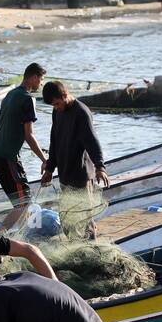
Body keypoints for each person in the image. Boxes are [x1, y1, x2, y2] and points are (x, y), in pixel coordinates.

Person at [40, 80, 107, 240]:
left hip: (81, 175)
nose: (56, 107)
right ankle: (74, 245)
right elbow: (54, 141)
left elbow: (92, 141)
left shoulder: (81, 112)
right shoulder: (57, 112)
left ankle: (91, 247)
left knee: (84, 218)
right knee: (68, 218)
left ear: (65, 95)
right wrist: (49, 168)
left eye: (57, 103)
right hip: (65, 174)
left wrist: (100, 167)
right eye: (53, 105)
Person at [0, 62, 47, 232]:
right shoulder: (28, 99)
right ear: (34, 77)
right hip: (9, 157)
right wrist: (44, 159)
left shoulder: (10, 94)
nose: (41, 84)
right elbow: (29, 135)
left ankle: (21, 234)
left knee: (20, 202)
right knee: (24, 203)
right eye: (41, 79)